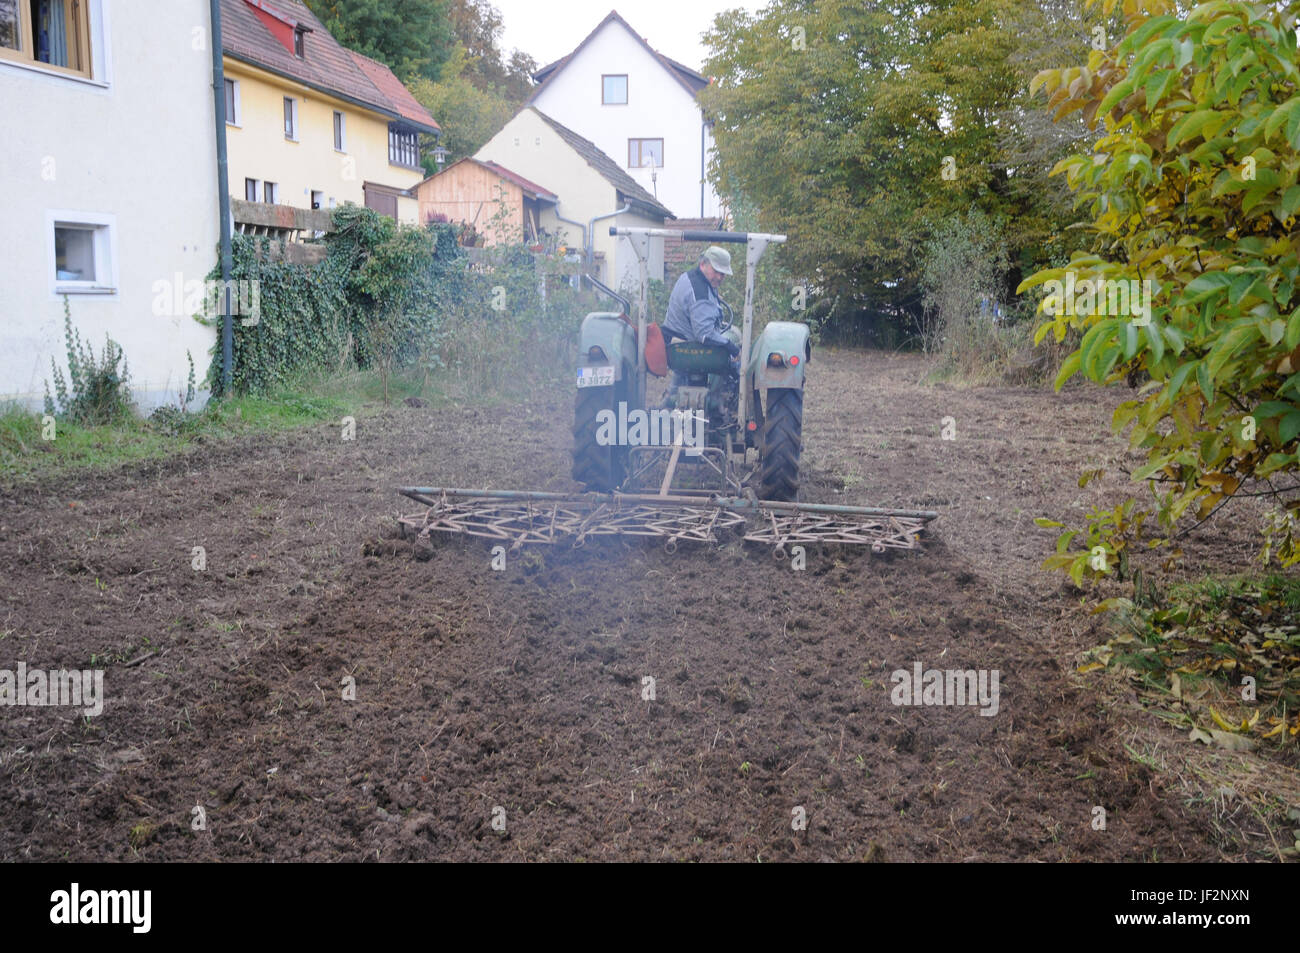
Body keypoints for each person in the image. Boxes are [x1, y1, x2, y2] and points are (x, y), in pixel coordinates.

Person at [662, 246, 740, 404]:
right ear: (703, 264)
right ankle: (724, 400)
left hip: (676, 342)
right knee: (735, 352)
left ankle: (672, 394)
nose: (719, 277)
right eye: (716, 271)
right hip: (689, 345)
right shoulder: (700, 292)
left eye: (723, 273)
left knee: (731, 333)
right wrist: (731, 347)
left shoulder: (690, 277)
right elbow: (704, 335)